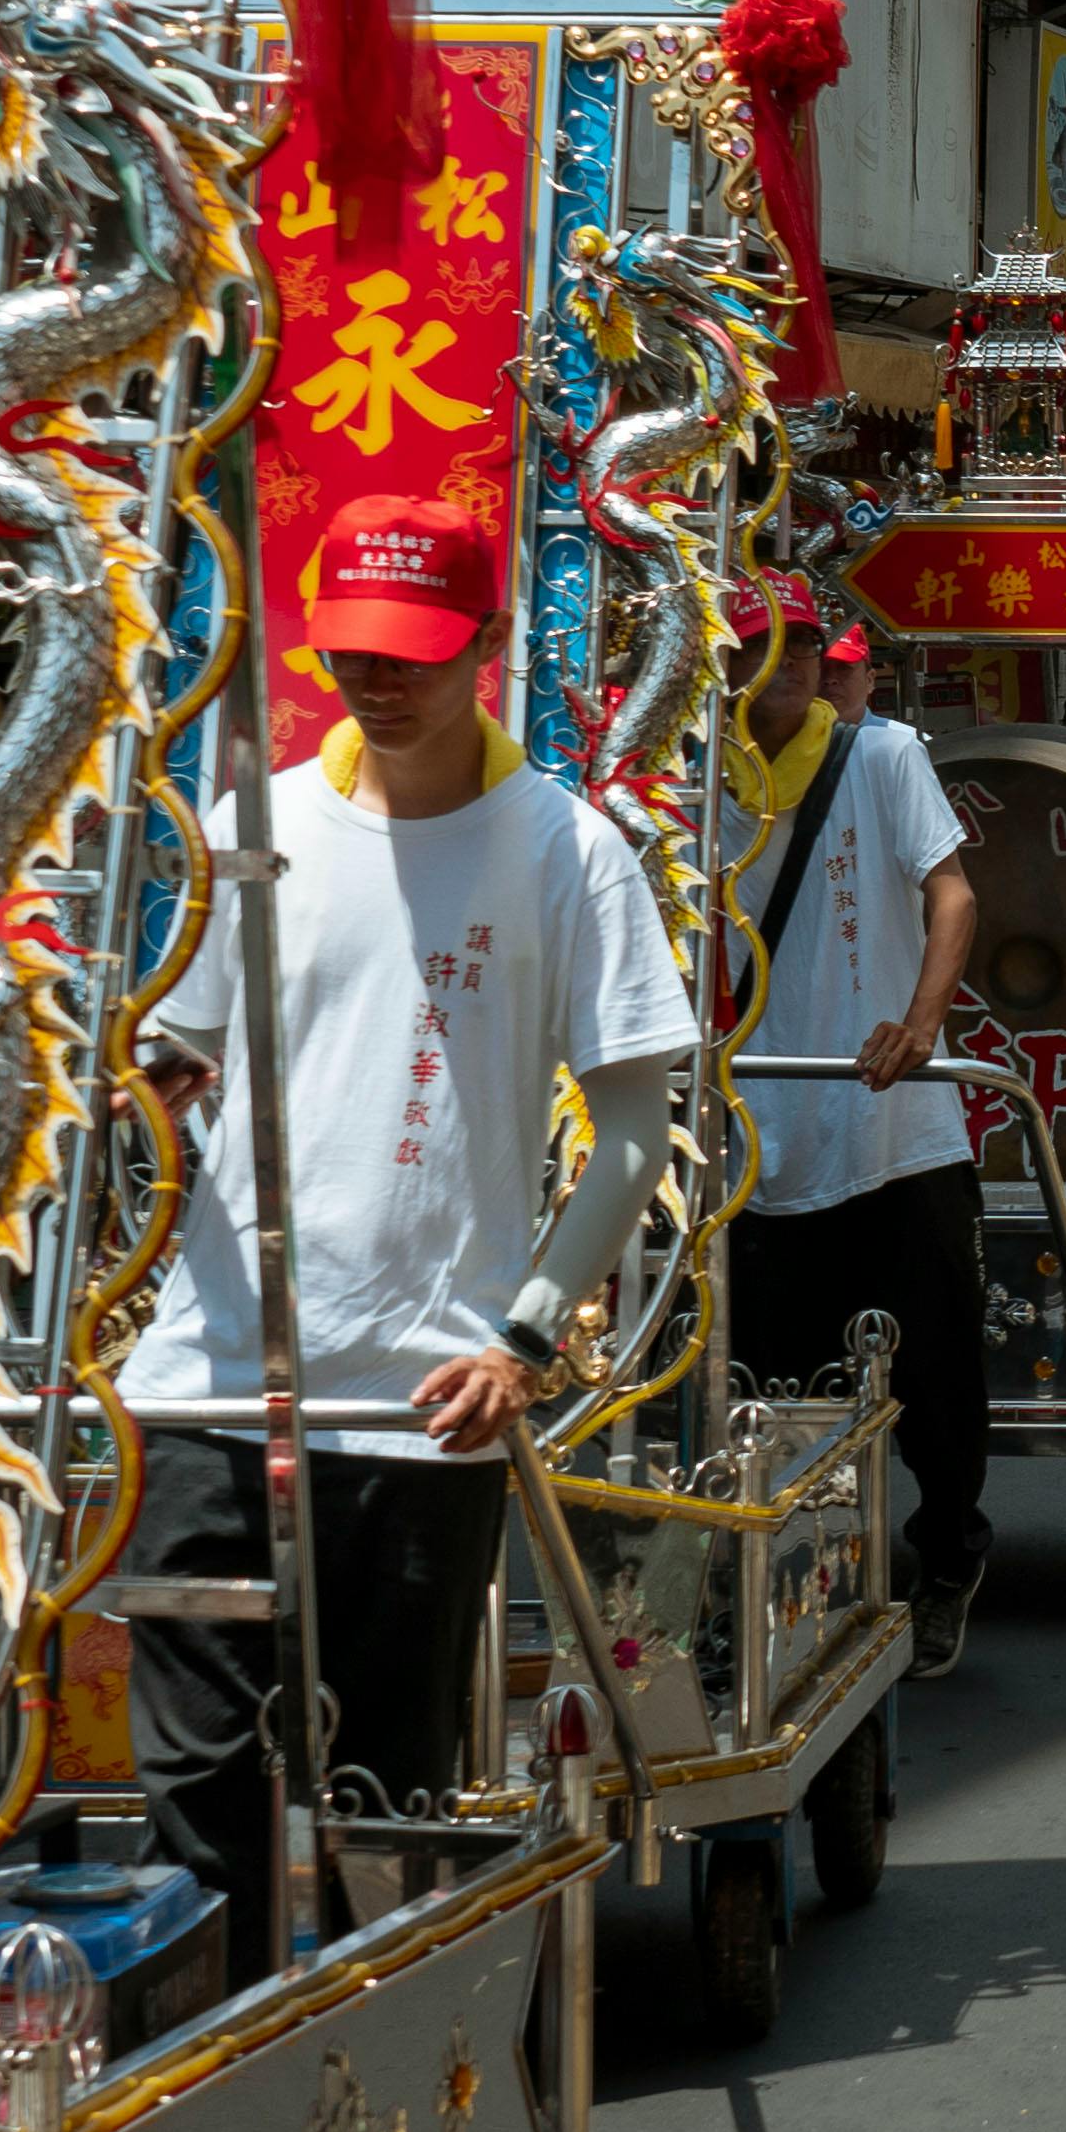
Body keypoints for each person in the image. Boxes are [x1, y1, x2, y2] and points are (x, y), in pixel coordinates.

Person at [128, 495, 697, 1986]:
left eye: (416, 656)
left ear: (490, 649)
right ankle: (207, 2090)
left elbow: (633, 1133)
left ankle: (372, 2095)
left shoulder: (566, 851)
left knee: (388, 1793)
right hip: (207, 1380)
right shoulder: (253, 831)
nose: (381, 683)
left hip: (419, 1401)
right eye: (355, 653)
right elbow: (172, 1070)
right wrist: (144, 1099)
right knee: (194, 1794)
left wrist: (524, 1336)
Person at [706, 574, 995, 1673]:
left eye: (794, 647)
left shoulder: (880, 755)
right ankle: (787, 1582)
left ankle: (949, 1562)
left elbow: (952, 892)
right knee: (767, 1383)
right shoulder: (697, 780)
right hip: (757, 1121)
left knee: (936, 1376)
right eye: (754, 647)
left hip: (891, 1125)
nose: (776, 665)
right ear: (726, 663)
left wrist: (921, 1022)